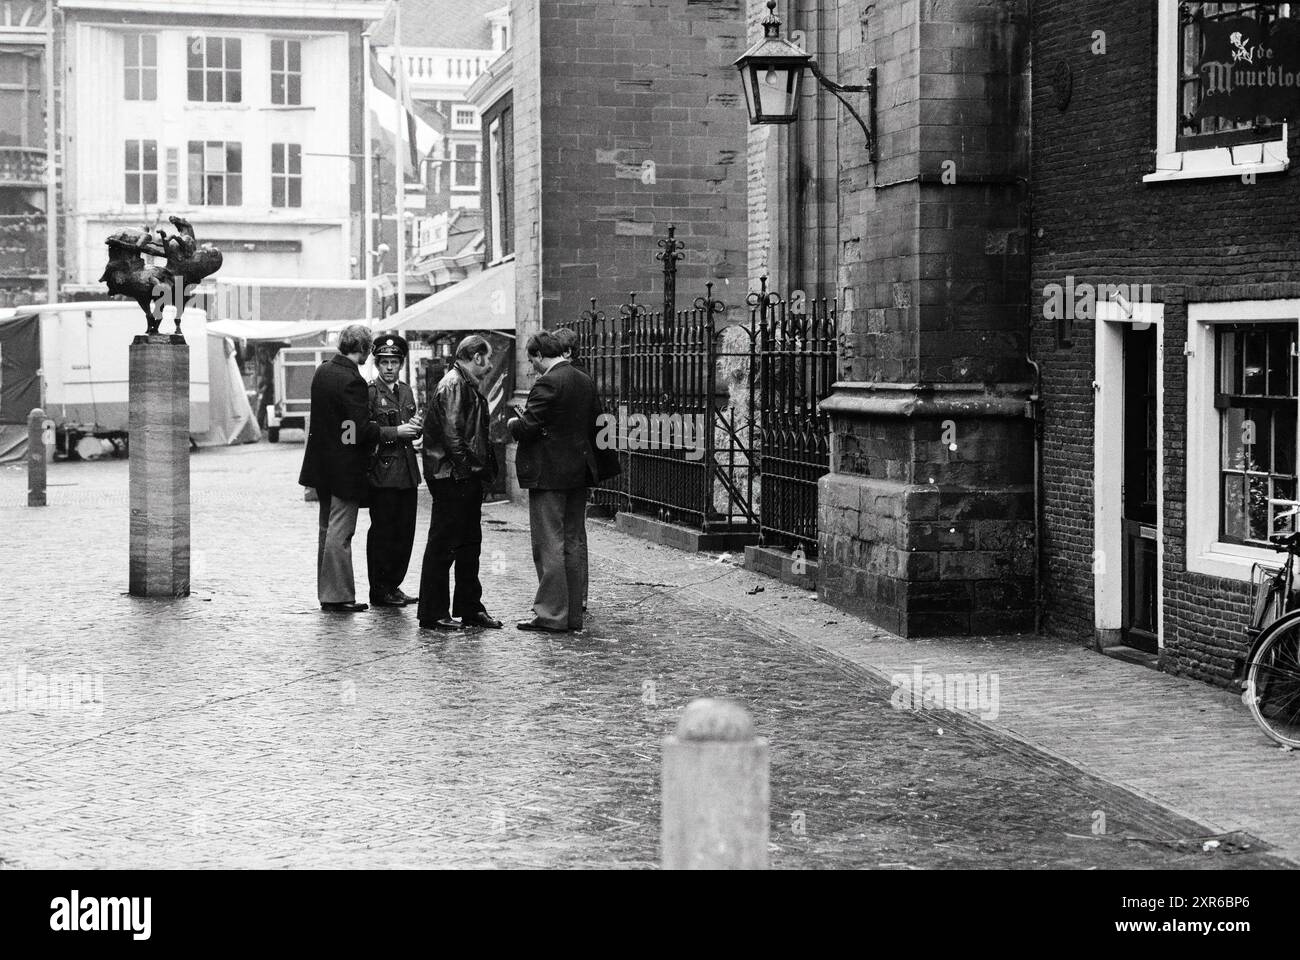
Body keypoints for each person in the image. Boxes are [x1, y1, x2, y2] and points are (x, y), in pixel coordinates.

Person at [299, 324, 416, 612]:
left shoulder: (323, 370)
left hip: (321, 467)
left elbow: (341, 426)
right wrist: (392, 432)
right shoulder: (352, 381)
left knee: (326, 531)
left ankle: (328, 591)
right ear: (364, 350)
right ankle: (338, 596)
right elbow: (356, 430)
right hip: (343, 470)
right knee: (341, 533)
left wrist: (351, 433)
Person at [508, 330, 603, 633]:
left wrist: (514, 423)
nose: (532, 366)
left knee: (549, 543)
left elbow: (529, 426)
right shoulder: (583, 379)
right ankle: (572, 613)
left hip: (550, 474)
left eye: (531, 359)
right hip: (579, 472)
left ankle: (551, 614)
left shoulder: (547, 381)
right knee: (572, 542)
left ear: (538, 355)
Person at [417, 334, 503, 631]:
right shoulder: (455, 384)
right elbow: (453, 435)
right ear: (476, 357)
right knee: (446, 545)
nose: (490, 364)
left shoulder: (461, 383)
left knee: (468, 545)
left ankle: (468, 607)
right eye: (487, 358)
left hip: (457, 474)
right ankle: (434, 611)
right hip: (453, 476)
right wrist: (469, 471)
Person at [365, 333, 423, 607]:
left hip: (408, 473)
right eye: (384, 362)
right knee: (383, 533)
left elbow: (409, 424)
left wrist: (415, 429)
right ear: (377, 364)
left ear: (401, 364)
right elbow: (358, 433)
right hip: (383, 473)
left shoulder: (407, 391)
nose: (389, 367)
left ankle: (394, 584)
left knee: (405, 533)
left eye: (394, 362)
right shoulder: (370, 393)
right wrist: (395, 432)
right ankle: (379, 588)